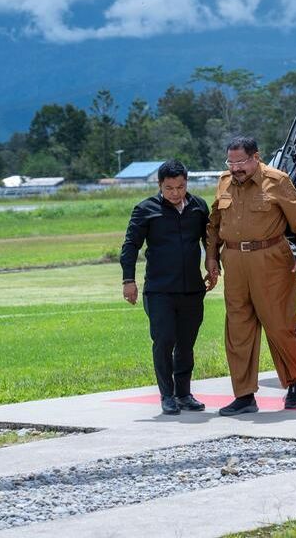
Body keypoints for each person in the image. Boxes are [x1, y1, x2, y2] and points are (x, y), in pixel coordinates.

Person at [206, 136, 296, 415]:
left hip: (271, 260)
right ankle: (244, 395)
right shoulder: (224, 182)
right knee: (238, 328)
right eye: (230, 163)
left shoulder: (277, 181)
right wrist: (211, 257)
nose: (235, 168)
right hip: (234, 261)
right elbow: (214, 224)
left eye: (241, 162)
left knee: (279, 324)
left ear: (256, 157)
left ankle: (295, 382)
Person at [120, 160, 213, 416]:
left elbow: (209, 240)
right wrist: (128, 280)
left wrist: (213, 264)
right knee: (164, 341)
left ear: (186, 183)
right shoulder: (145, 209)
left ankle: (184, 394)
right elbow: (130, 246)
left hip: (192, 289)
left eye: (180, 187)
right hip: (159, 290)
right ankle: (167, 395)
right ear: (160, 185)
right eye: (169, 188)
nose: (175, 193)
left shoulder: (198, 207)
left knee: (186, 344)